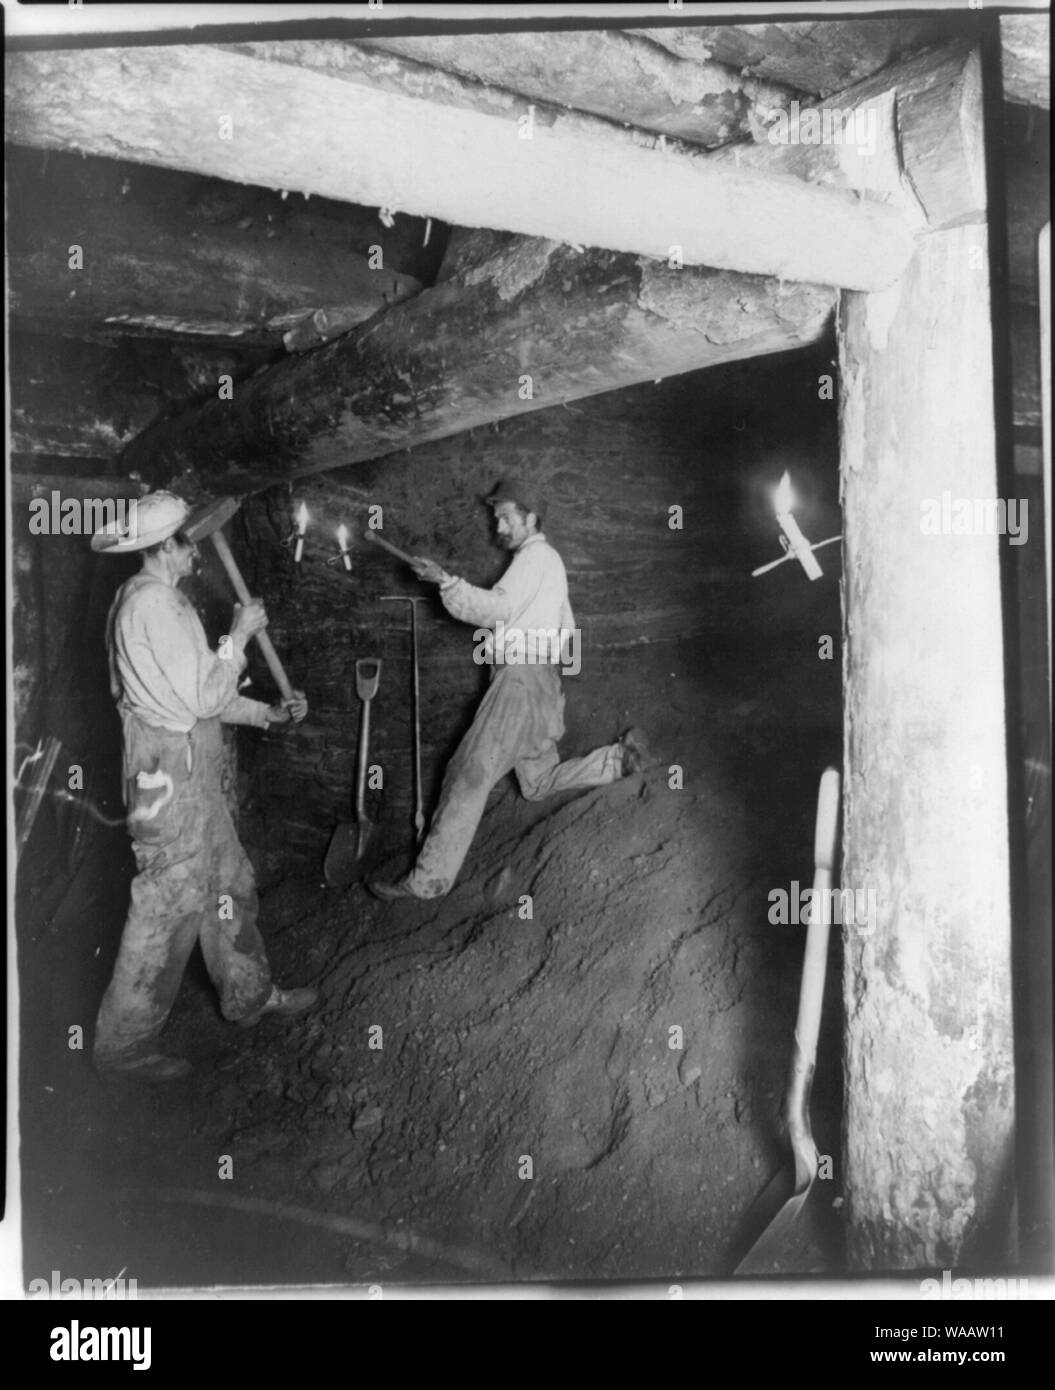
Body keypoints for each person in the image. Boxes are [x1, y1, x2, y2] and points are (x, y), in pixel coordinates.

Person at [90, 491, 317, 1082]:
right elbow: (201, 695)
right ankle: (123, 1046)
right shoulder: (153, 606)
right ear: (166, 547)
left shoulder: (157, 600)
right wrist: (238, 634)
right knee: (167, 906)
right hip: (168, 780)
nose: (197, 552)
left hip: (189, 771)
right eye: (188, 542)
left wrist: (266, 713)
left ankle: (248, 994)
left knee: (227, 884)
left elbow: (202, 696)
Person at [369, 477, 649, 901]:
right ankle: (615, 763)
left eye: (505, 518)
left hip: (518, 683)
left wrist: (446, 581)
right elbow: (568, 628)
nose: (498, 527)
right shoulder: (552, 564)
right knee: (537, 782)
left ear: (531, 518)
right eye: (496, 519)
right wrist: (547, 676)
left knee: (468, 773)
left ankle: (428, 880)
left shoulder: (533, 559)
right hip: (543, 684)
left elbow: (497, 608)